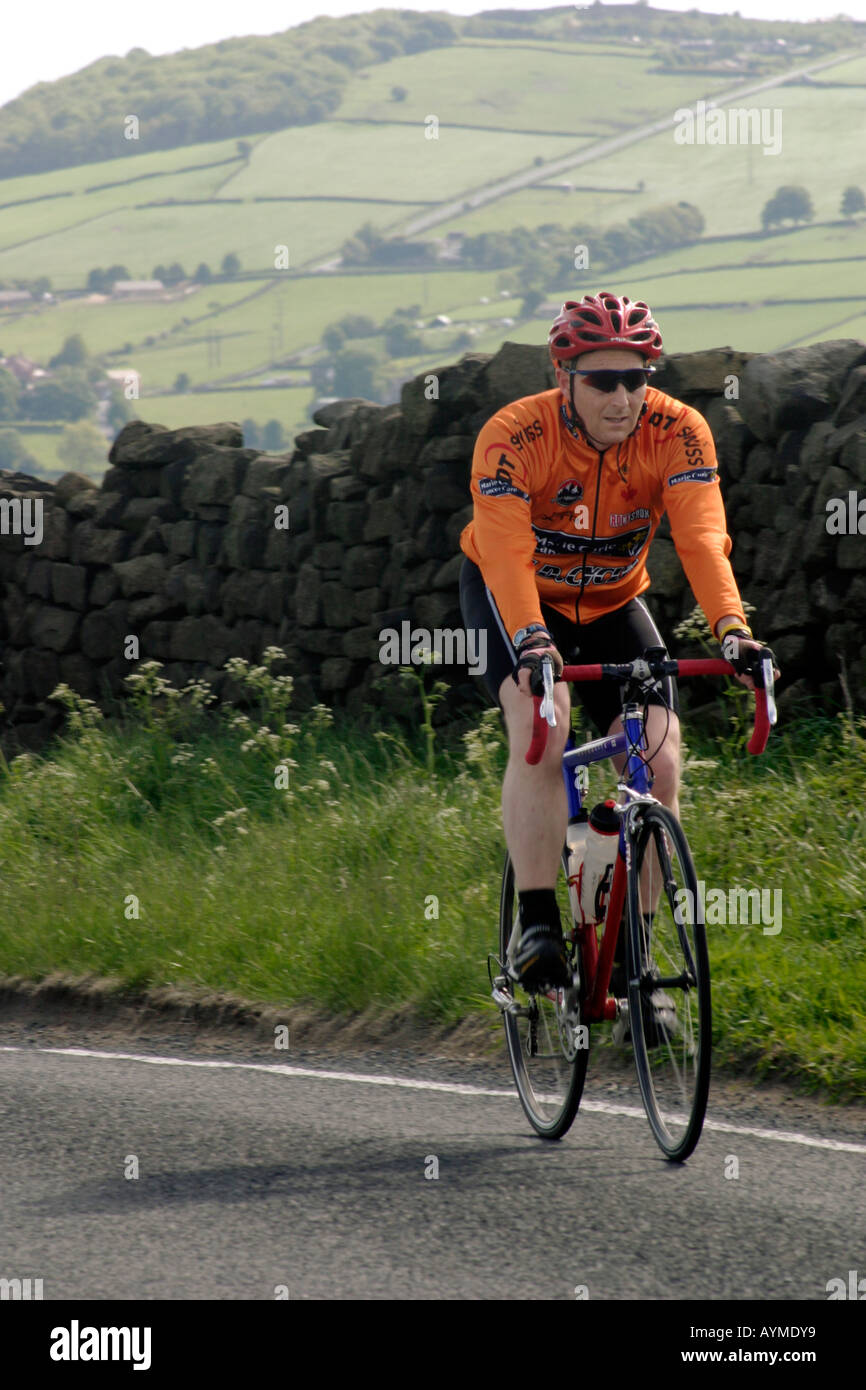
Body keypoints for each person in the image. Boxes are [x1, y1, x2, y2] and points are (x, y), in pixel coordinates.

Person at [458, 290, 777, 993]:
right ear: (563, 377)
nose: (623, 397)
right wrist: (535, 646)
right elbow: (506, 555)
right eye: (604, 379)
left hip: (610, 604)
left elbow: (700, 540)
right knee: (545, 721)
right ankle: (538, 922)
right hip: (515, 600)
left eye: (637, 378)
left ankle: (637, 954)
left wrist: (732, 630)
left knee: (660, 764)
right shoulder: (514, 435)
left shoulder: (679, 432)